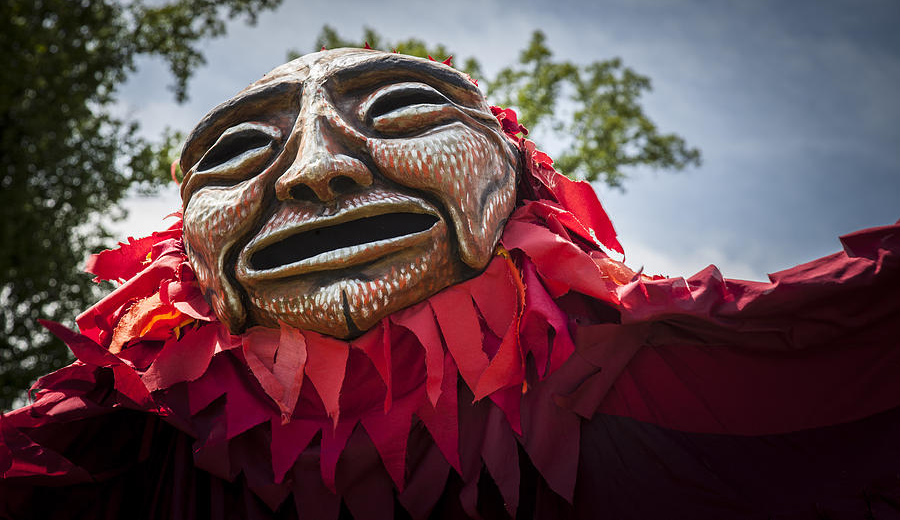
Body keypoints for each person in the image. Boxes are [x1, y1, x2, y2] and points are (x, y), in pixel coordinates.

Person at [2, 49, 899, 520]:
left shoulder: (688, 373)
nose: (316, 171)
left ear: (518, 180)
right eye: (237, 153)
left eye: (402, 111)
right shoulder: (109, 453)